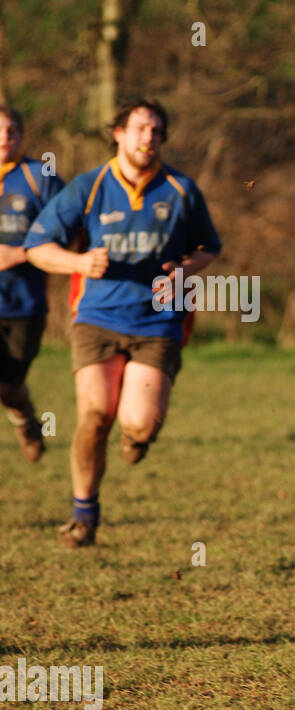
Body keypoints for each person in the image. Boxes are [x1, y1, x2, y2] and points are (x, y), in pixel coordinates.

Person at [25, 99, 221, 547]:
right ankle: (83, 515)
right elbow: (38, 247)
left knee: (138, 423)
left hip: (158, 320)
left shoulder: (181, 189)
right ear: (118, 133)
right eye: (140, 128)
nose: (148, 137)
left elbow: (209, 246)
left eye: (156, 130)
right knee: (95, 414)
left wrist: (187, 271)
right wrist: (78, 261)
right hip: (96, 317)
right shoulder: (89, 187)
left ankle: (139, 437)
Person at [0, 106, 64, 462]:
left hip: (25, 302)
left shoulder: (42, 177)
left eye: (11, 131)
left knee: (10, 388)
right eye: (0, 130)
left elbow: (65, 230)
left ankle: (25, 420)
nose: (5, 137)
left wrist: (19, 254)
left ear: (22, 136)